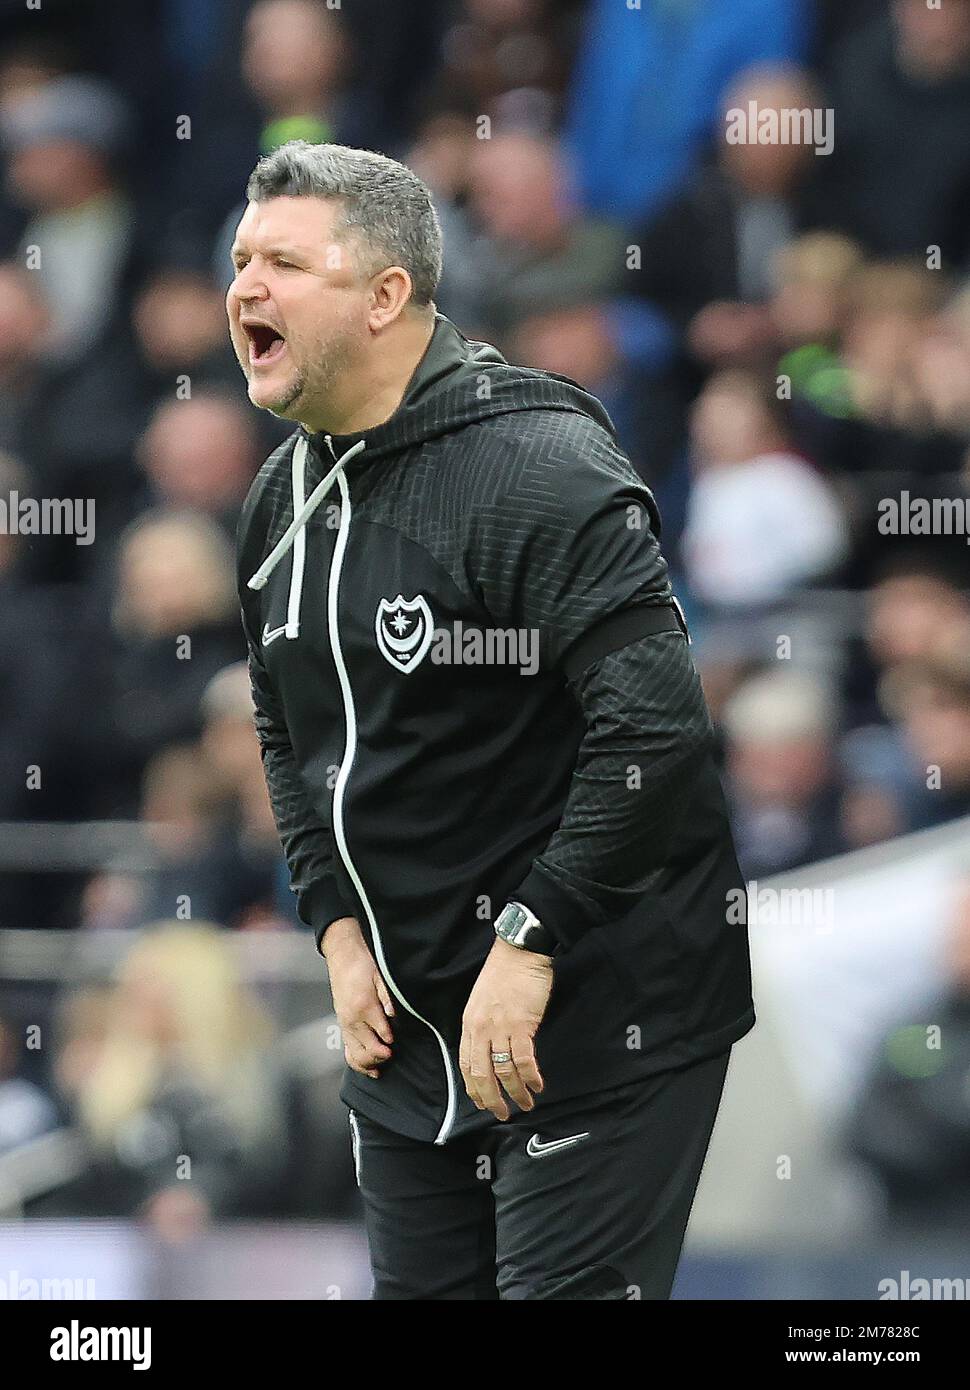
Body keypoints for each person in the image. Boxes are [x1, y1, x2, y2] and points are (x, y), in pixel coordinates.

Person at [230, 140, 755, 1300]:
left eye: (284, 263)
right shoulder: (277, 499)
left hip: (594, 1010)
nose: (245, 288)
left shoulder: (534, 465)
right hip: (411, 1038)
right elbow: (285, 727)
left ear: (385, 297)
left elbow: (654, 729)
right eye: (240, 261)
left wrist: (533, 935)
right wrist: (333, 925)